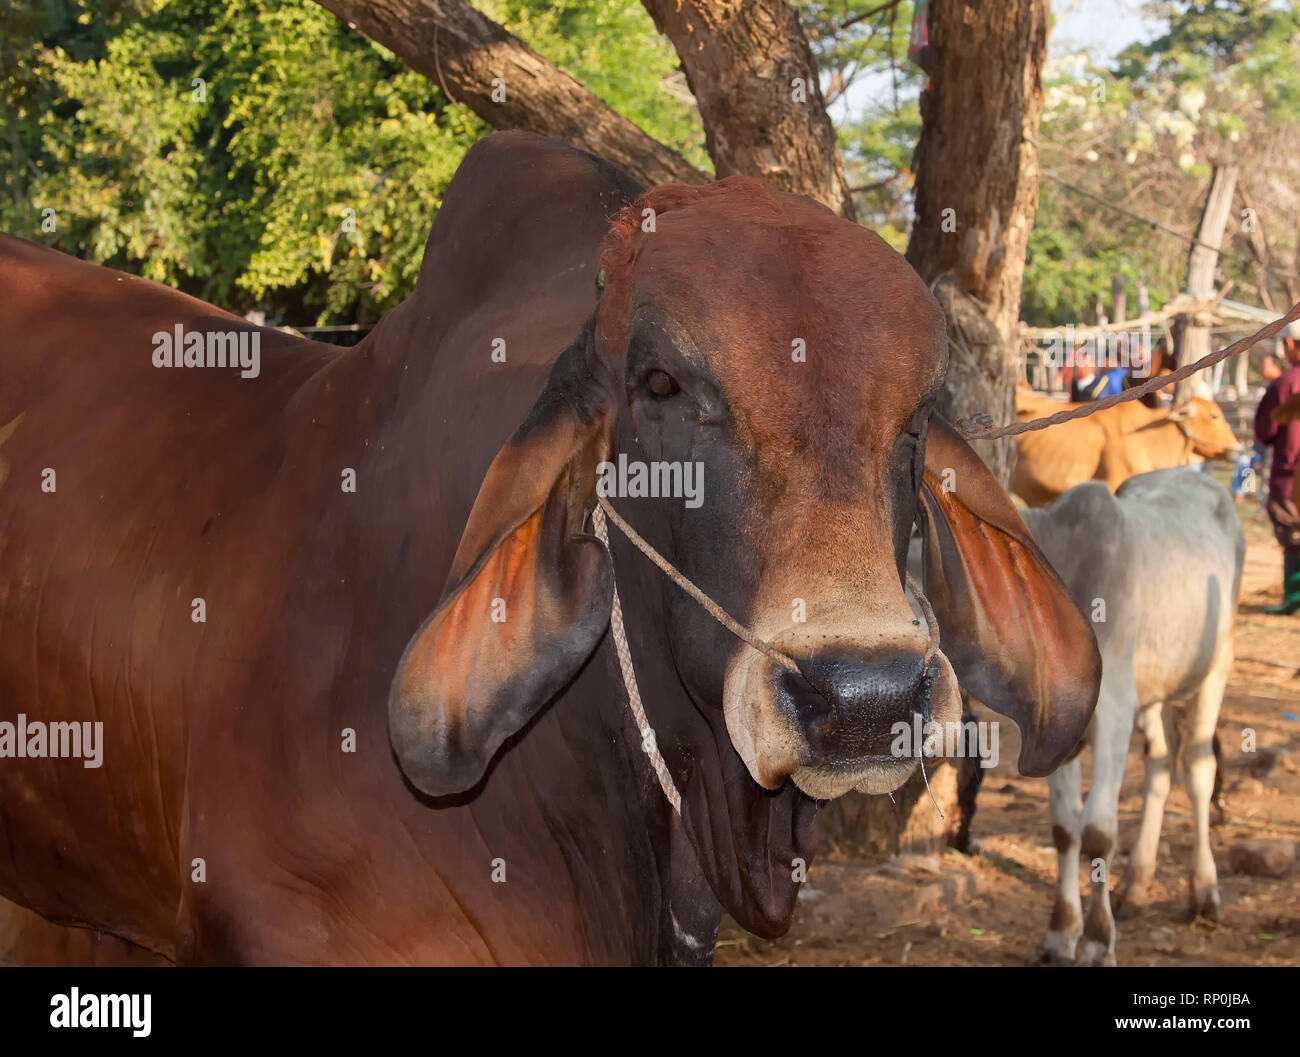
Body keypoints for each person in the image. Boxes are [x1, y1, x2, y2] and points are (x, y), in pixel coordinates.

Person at [1253, 324, 1300, 613]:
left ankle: (1293, 599)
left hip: (1291, 473)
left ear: (1290, 344)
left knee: (1291, 530)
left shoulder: (1286, 384)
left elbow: (1266, 429)